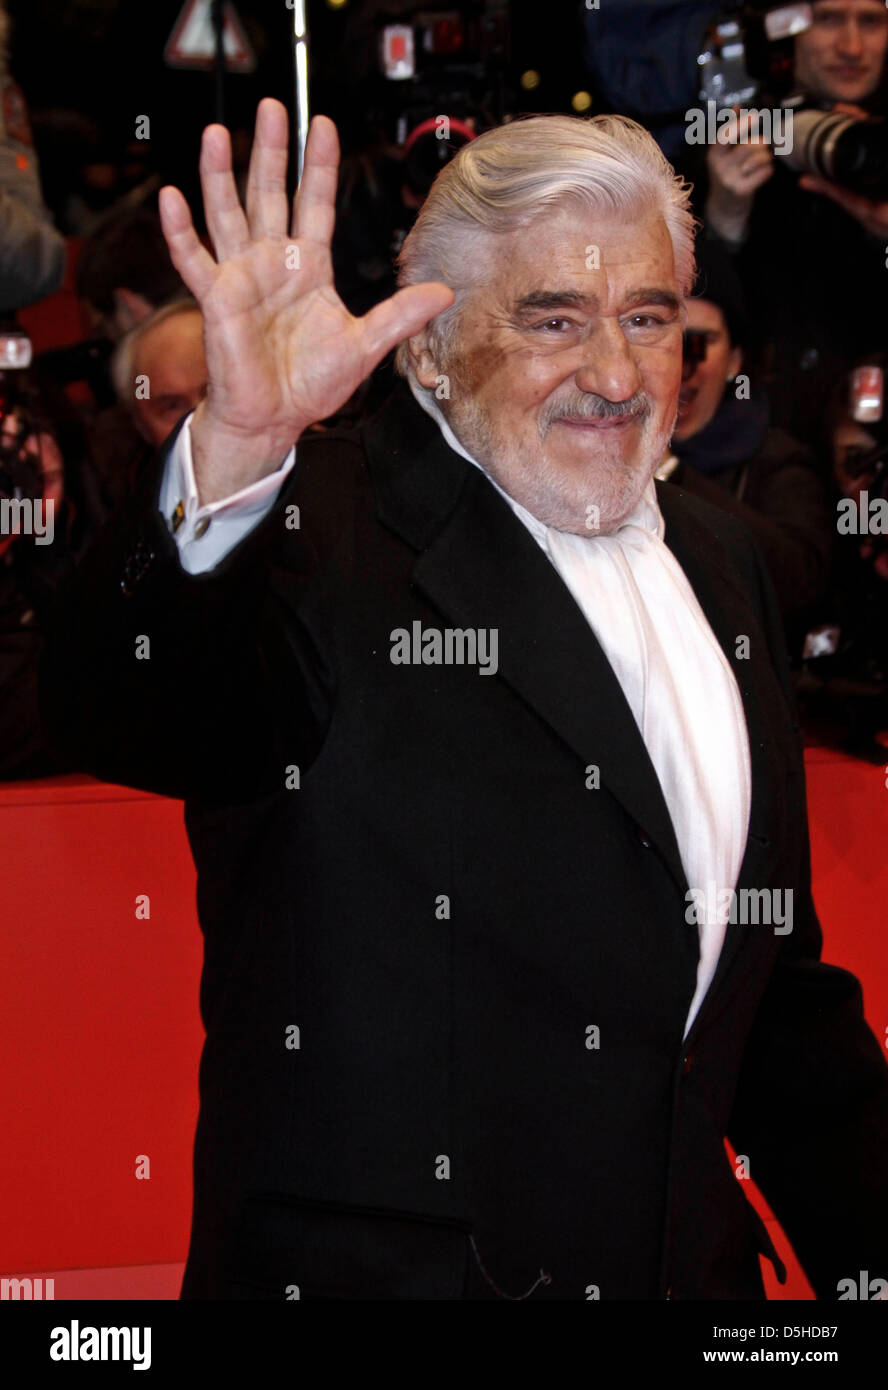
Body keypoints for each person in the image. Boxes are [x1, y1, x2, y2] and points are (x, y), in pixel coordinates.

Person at [39, 99, 888, 1301]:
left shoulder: (725, 560)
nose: (613, 372)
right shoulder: (312, 530)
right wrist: (232, 450)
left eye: (647, 318)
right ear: (427, 352)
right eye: (554, 320)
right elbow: (109, 701)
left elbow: (773, 1007)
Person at [702, 0, 888, 450]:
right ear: (784, 29)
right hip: (762, 450)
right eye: (827, 19)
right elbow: (691, 329)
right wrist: (723, 220)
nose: (851, 46)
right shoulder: (730, 141)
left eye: (872, 21)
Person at [659, 235, 832, 630]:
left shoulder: (775, 461)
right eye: (661, 335)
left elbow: (800, 583)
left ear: (735, 360)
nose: (682, 362)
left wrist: (668, 471)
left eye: (700, 343)